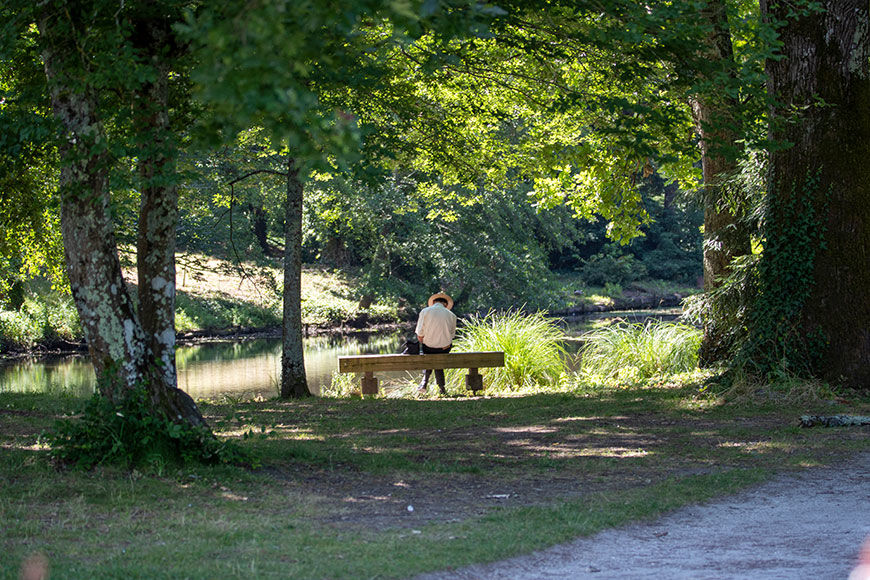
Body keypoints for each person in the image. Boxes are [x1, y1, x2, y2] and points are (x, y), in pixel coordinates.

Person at [415, 292, 457, 394]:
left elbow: (419, 334)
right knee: (439, 362)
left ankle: (424, 383)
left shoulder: (425, 311)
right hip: (444, 348)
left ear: (433, 302)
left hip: (429, 347)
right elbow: (452, 335)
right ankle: (442, 389)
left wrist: (426, 340)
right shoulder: (452, 315)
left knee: (429, 355)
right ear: (446, 305)